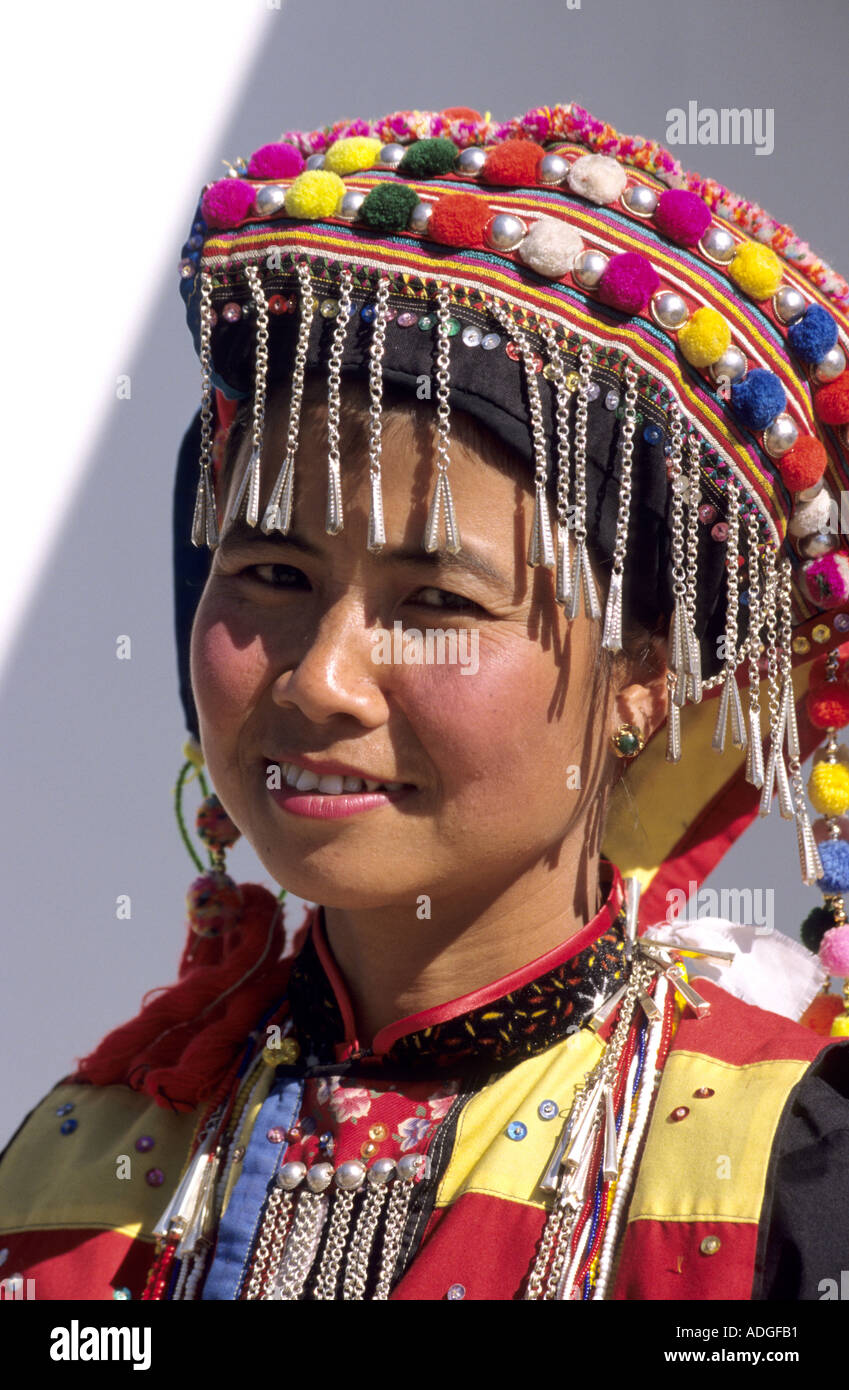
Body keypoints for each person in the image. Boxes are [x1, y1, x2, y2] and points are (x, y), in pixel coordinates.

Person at [2, 100, 849, 1303]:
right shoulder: (79, 1168)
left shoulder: (777, 1166)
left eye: (440, 601)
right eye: (274, 575)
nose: (320, 680)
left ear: (649, 673)